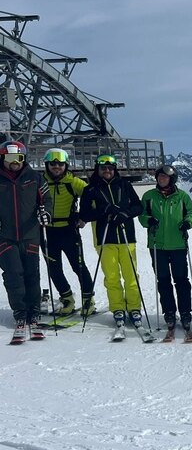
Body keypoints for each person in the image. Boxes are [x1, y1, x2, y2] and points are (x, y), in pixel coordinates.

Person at [79, 154, 144, 329]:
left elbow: (138, 206)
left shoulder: (124, 185)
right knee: (112, 277)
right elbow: (84, 214)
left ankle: (134, 307)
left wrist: (125, 213)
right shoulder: (90, 189)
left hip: (126, 237)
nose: (107, 171)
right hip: (104, 238)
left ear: (114, 169)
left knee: (131, 276)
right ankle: (117, 308)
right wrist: (103, 210)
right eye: (103, 168)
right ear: (97, 169)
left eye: (110, 168)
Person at [138, 164, 192, 339]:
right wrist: (149, 221)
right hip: (157, 245)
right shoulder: (149, 196)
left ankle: (185, 312)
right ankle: (169, 312)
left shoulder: (182, 196)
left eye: (165, 177)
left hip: (178, 244)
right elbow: (142, 216)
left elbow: (191, 213)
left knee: (181, 280)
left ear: (172, 179)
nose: (162, 179)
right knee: (163, 280)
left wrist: (188, 222)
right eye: (160, 177)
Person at [0, 140, 50, 338]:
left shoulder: (35, 177)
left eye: (19, 158)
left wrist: (46, 212)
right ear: (3, 158)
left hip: (30, 235)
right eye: (10, 158)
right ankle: (20, 311)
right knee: (13, 275)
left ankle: (34, 311)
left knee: (32, 274)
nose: (15, 162)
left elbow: (46, 200)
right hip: (5, 236)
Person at [40, 147, 95, 316]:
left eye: (60, 164)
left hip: (69, 231)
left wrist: (83, 216)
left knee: (78, 266)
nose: (57, 167)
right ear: (47, 164)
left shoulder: (74, 182)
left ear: (66, 165)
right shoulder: (40, 181)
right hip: (47, 232)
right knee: (54, 269)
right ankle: (67, 299)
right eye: (53, 163)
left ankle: (88, 300)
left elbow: (93, 199)